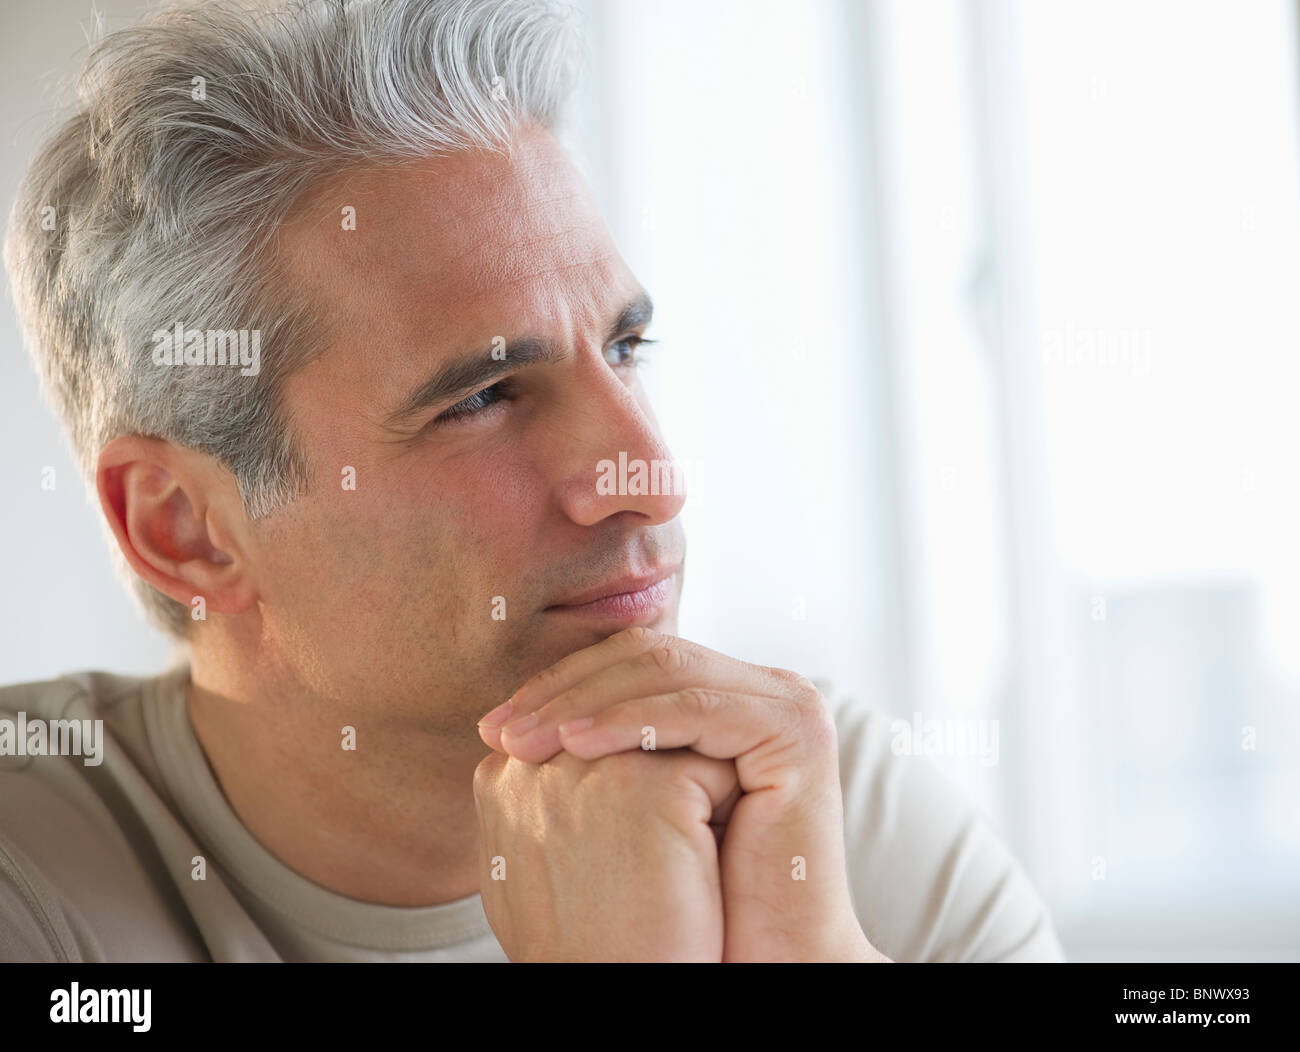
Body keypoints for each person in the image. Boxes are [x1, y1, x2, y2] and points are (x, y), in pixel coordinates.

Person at [0, 0, 1064, 962]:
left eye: (627, 345)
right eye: (484, 396)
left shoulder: (818, 803)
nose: (649, 476)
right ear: (185, 529)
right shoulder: (33, 881)